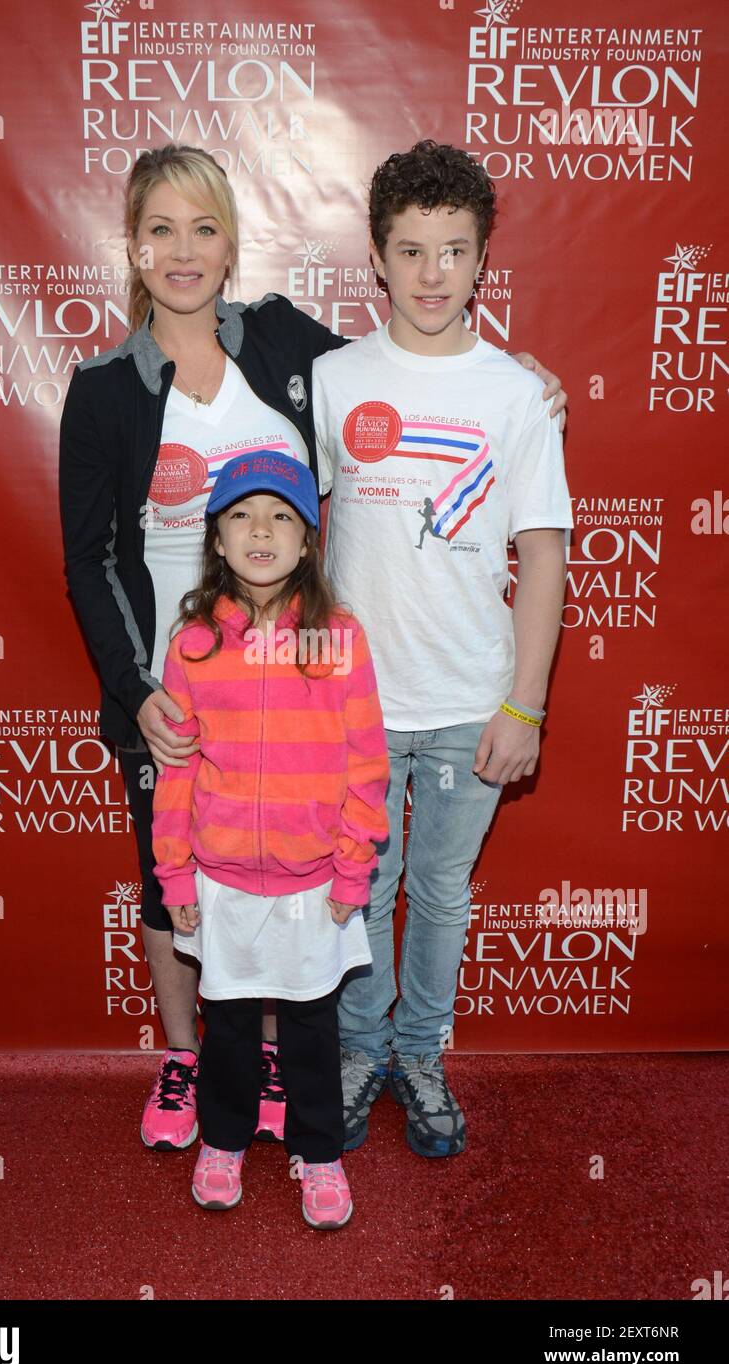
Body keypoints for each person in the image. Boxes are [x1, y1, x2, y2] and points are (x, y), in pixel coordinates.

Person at [58, 142, 567, 1156]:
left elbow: (430, 371)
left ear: (233, 241)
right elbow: (87, 557)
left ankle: (383, 1053)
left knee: (385, 884)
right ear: (133, 246)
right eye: (161, 227)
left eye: (205, 226)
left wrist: (527, 375)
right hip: (216, 686)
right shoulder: (129, 386)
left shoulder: (290, 348)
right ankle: (241, 1054)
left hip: (375, 686)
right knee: (218, 882)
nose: (184, 248)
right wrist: (138, 683)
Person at [311, 140, 575, 1158]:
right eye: (411, 250)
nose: (431, 274)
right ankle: (359, 1050)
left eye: (453, 250)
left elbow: (544, 558)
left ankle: (421, 1052)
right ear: (376, 257)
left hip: (474, 700)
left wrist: (526, 704)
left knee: (444, 893)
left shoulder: (516, 396)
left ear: (481, 261)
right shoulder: (331, 380)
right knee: (362, 892)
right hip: (354, 702)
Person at [150, 453, 389, 1227]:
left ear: (307, 541)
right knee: (227, 1027)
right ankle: (221, 1141)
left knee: (311, 1031)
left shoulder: (340, 639)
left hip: (313, 882)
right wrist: (175, 876)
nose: (261, 531)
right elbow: (177, 775)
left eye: (281, 515)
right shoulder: (191, 646)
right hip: (219, 881)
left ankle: (318, 1157)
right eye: (242, 516)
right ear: (216, 539)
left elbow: (365, 764)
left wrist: (352, 869)